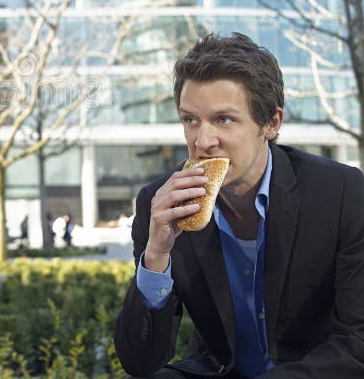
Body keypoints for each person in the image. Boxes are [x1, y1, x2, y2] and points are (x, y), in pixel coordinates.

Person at [114, 33, 364, 378]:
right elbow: (139, 363)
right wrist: (156, 255)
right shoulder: (160, 204)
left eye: (223, 120)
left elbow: (357, 344)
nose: (203, 142)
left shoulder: (341, 193)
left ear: (271, 124)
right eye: (190, 120)